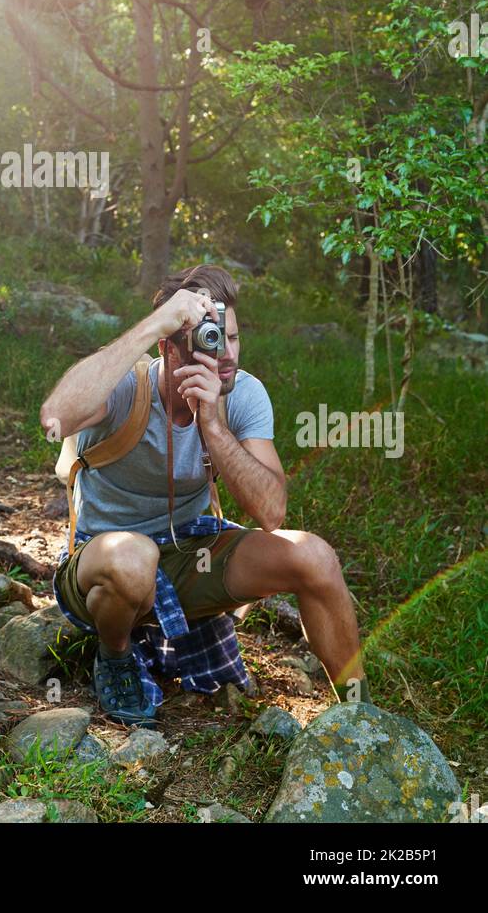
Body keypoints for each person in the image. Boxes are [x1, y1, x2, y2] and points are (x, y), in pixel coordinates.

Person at [40, 264, 371, 725]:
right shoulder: (127, 388)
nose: (227, 354)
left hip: (187, 552)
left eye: (232, 337)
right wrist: (156, 322)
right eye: (209, 340)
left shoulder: (241, 394)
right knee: (133, 558)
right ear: (169, 349)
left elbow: (272, 513)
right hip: (106, 563)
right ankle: (114, 656)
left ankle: (359, 711)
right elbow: (55, 415)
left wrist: (213, 424)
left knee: (314, 556)